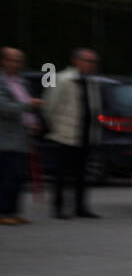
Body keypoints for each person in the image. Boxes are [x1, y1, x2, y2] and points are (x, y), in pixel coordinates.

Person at [42, 47, 102, 218]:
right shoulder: (63, 79)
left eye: (94, 62)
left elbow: (95, 107)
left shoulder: (92, 82)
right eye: (88, 61)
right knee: (61, 173)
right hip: (65, 134)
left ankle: (80, 207)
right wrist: (56, 127)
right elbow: (50, 106)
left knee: (82, 174)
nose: (91, 65)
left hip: (85, 134)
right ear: (76, 61)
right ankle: (59, 207)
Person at [0, 46, 41, 225]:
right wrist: (28, 105)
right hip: (5, 138)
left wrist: (33, 122)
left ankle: (14, 211)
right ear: (3, 61)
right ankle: (3, 212)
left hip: (22, 138)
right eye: (12, 60)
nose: (16, 64)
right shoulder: (2, 82)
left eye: (18, 60)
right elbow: (4, 107)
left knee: (18, 176)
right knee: (7, 177)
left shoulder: (21, 81)